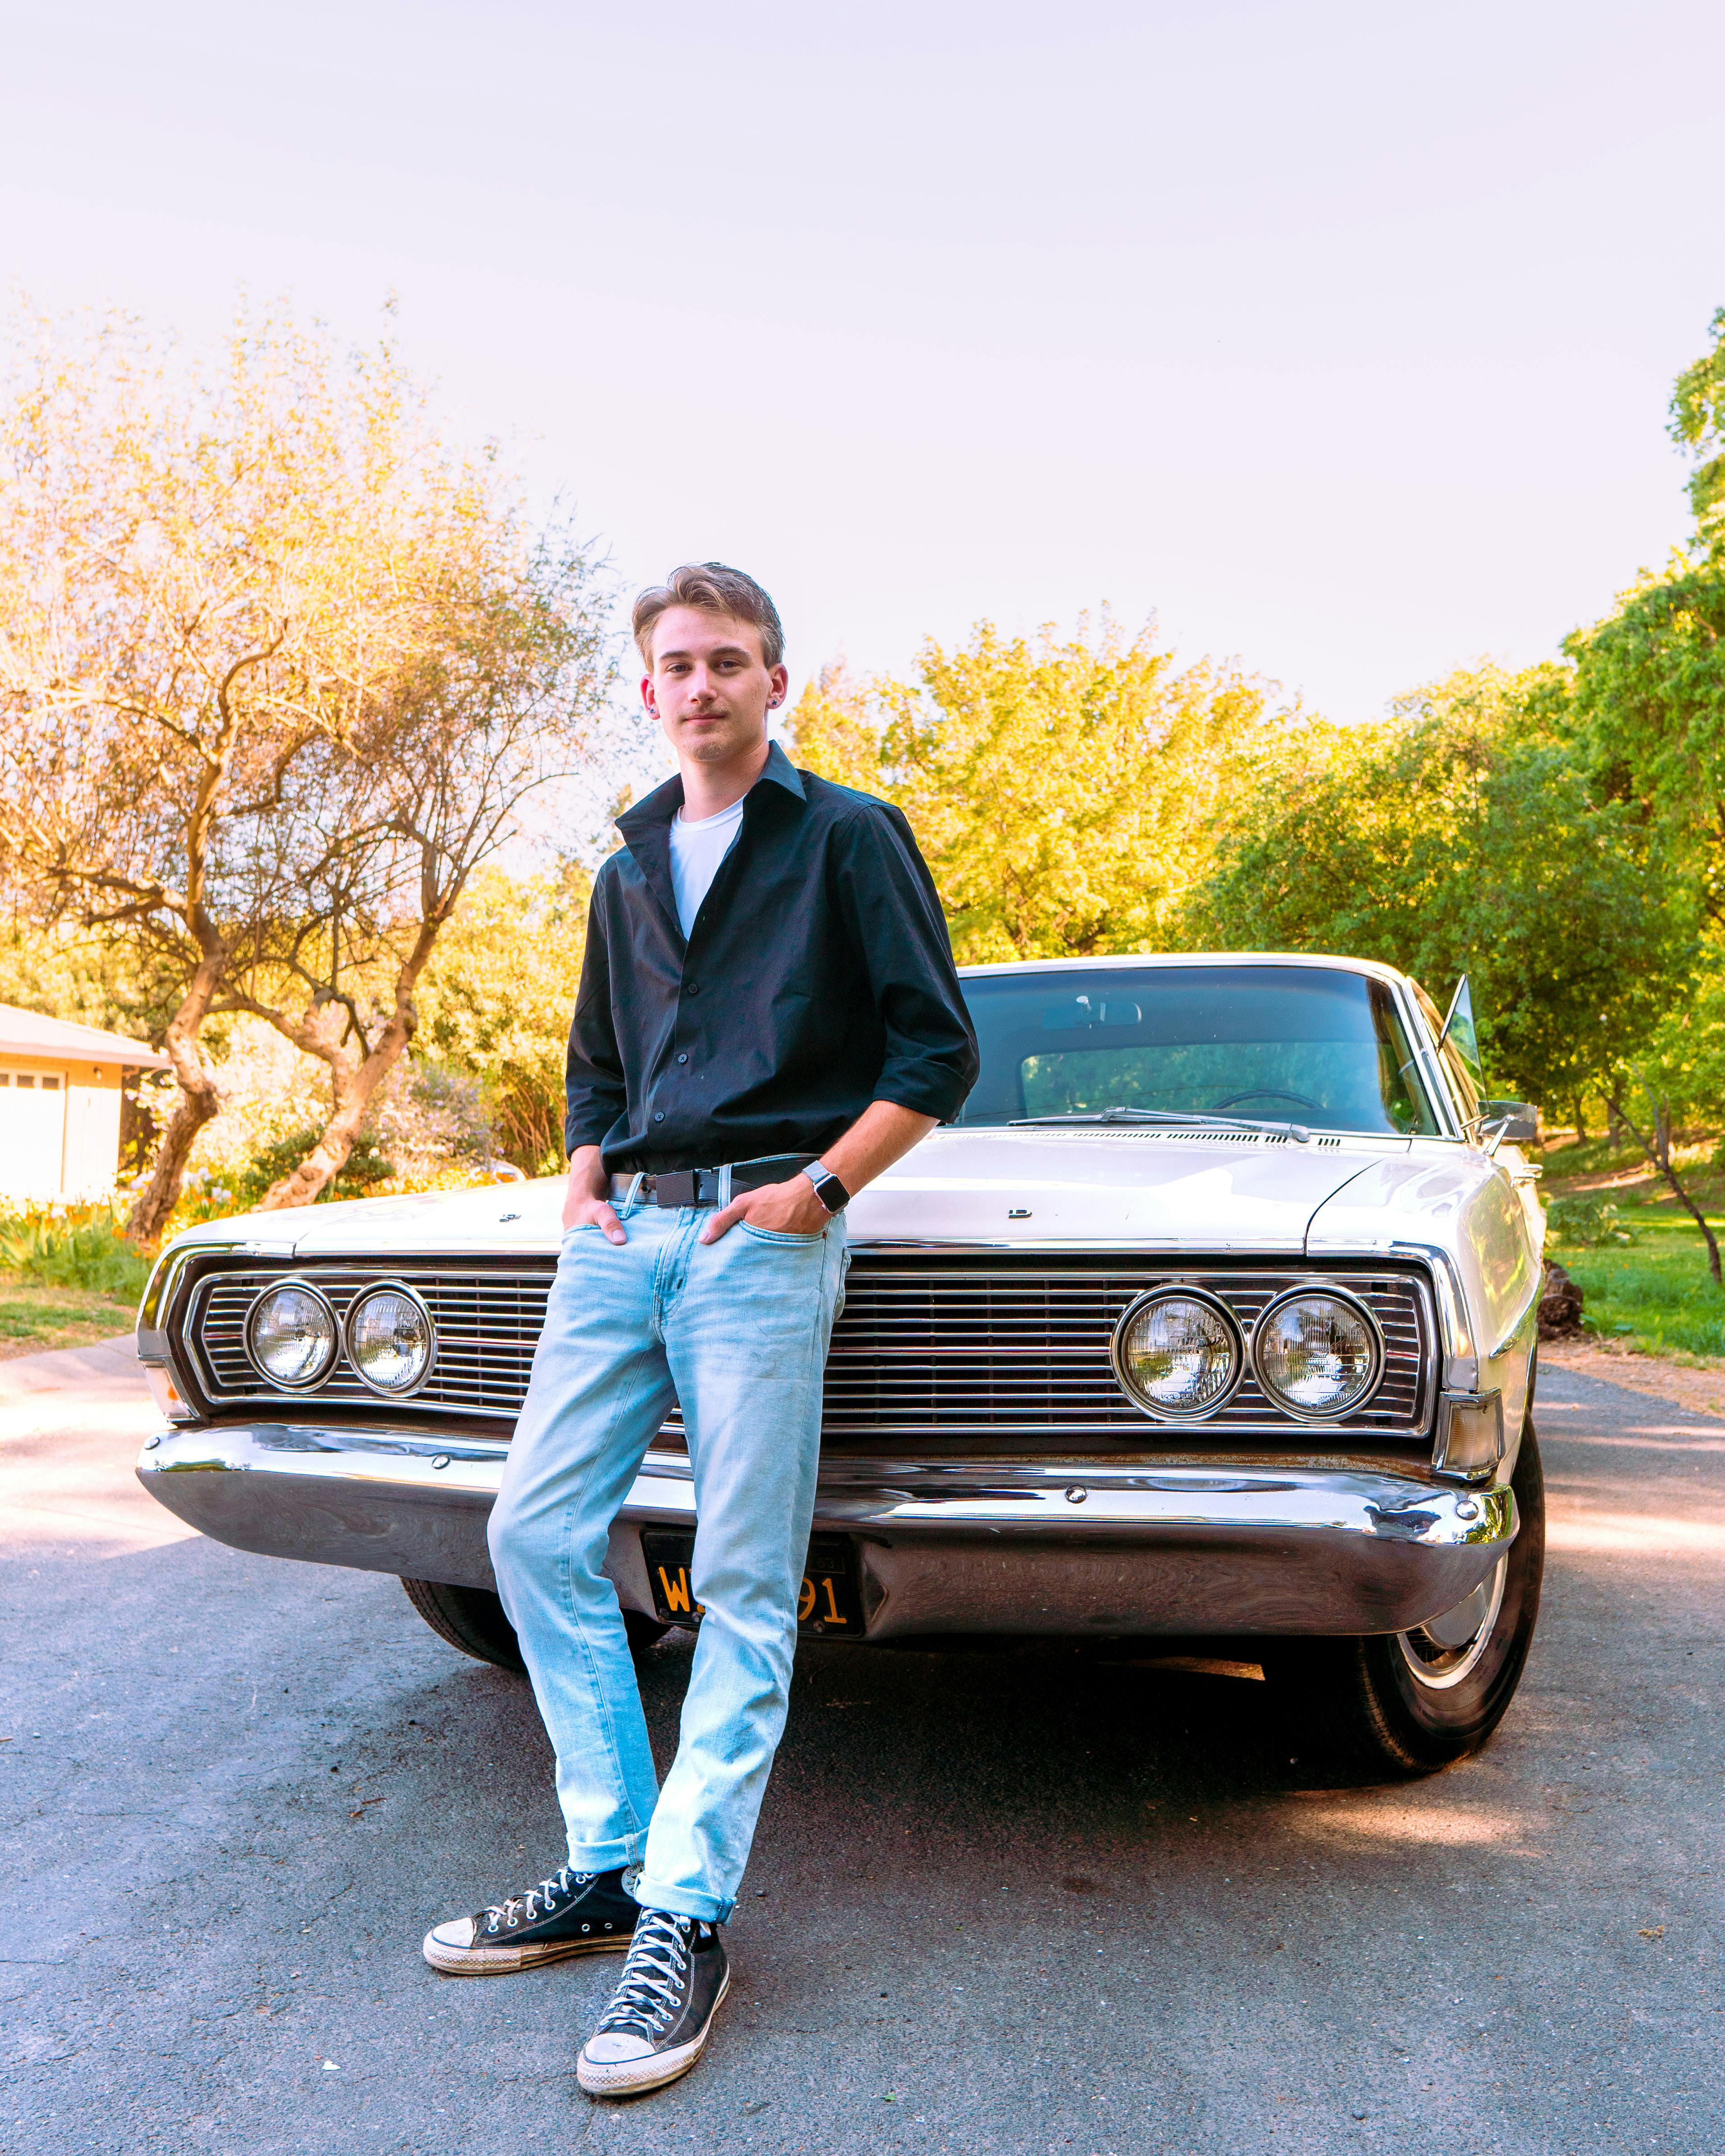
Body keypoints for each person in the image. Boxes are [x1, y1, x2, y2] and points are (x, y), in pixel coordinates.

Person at [422, 563, 978, 2097]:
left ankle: (685, 1909)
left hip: (757, 1240)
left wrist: (813, 1190)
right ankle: (607, 1859)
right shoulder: (624, 872)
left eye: (730, 660)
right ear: (647, 689)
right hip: (622, 1241)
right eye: (676, 663)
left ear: (775, 685)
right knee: (535, 1532)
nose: (702, 684)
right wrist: (585, 1173)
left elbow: (939, 1050)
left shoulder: (848, 837)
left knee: (741, 1579)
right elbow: (600, 1059)